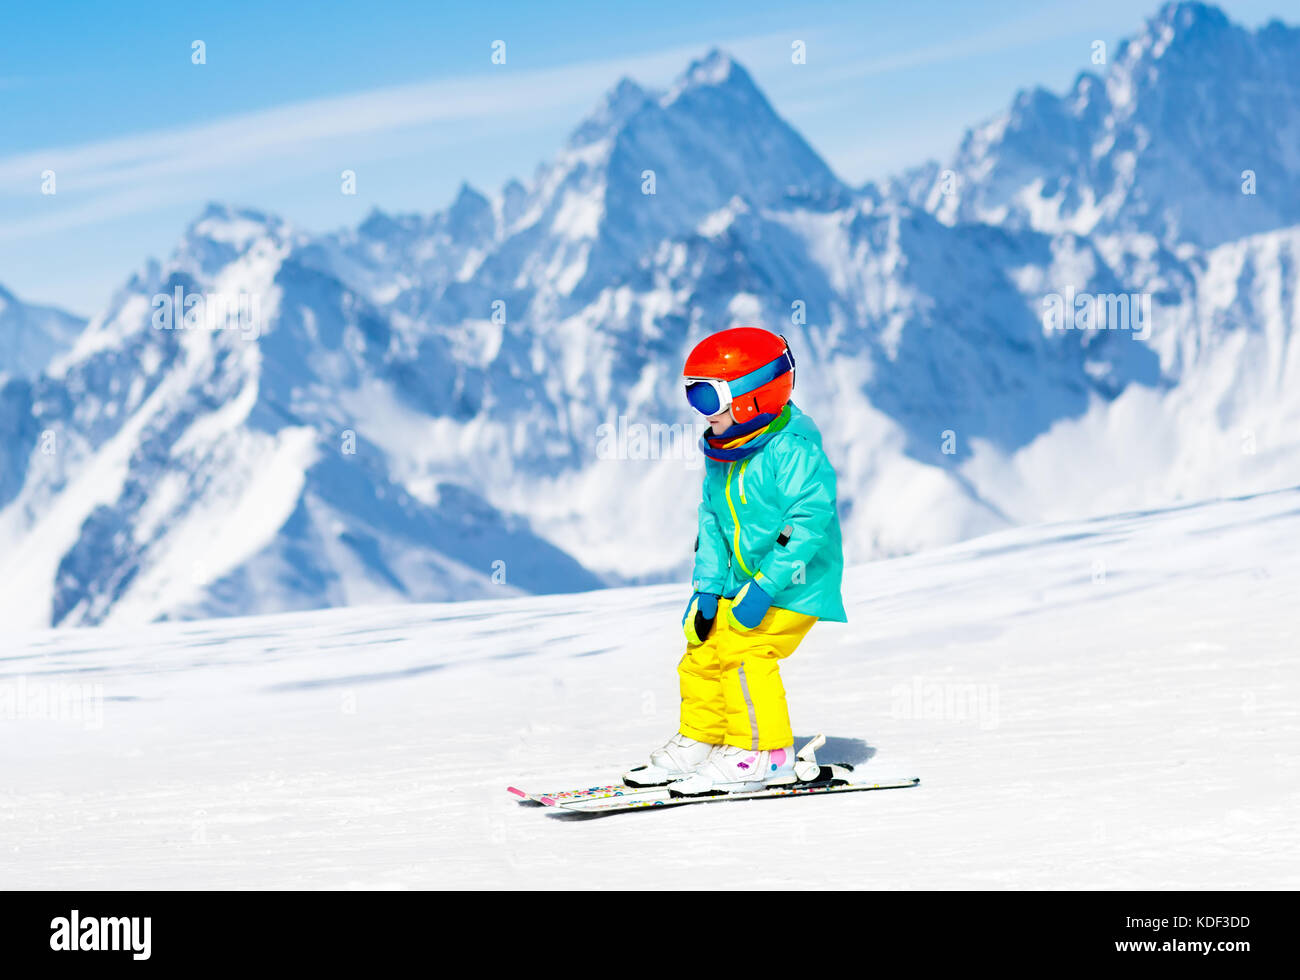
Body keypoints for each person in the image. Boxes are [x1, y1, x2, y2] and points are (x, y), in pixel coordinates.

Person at [623, 326, 846, 795]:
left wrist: (767, 584)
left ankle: (765, 754)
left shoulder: (792, 451)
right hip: (744, 582)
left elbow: (809, 521)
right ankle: (706, 739)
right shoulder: (725, 453)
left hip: (797, 583)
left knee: (746, 649)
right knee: (703, 644)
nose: (698, 412)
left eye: (707, 397)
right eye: (692, 395)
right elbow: (713, 523)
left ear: (751, 397)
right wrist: (708, 588)